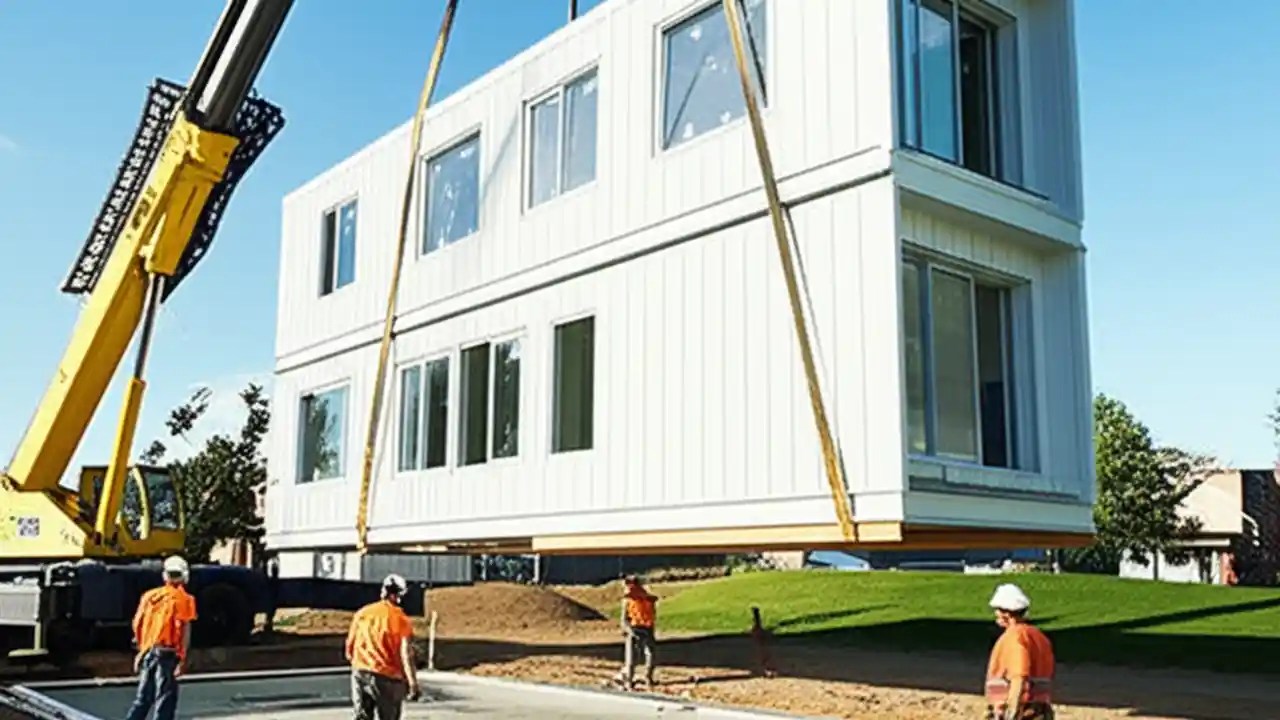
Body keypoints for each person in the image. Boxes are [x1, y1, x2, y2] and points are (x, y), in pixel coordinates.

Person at [125, 555, 198, 720]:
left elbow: (137, 623)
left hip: (148, 651)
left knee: (143, 698)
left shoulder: (149, 596)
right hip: (168, 653)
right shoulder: (185, 600)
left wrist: (140, 650)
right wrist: (183, 658)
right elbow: (185, 630)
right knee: (165, 699)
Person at [346, 573, 421, 720]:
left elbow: (349, 650)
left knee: (362, 717)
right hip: (387, 677)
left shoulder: (362, 613)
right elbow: (406, 653)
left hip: (360, 671)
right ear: (398, 596)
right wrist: (412, 684)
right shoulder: (401, 619)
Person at [984, 583, 1055, 720]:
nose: (996, 614)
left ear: (1007, 613)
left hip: (1022, 712)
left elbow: (1019, 677)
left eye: (998, 610)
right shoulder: (1039, 637)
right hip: (1039, 710)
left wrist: (1012, 713)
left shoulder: (1015, 637)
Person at [613, 575, 658, 690]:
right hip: (641, 627)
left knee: (640, 655)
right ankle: (638, 679)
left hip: (641, 627)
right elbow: (624, 619)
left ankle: (639, 679)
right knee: (641, 656)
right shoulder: (642, 598)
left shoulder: (636, 599)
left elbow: (624, 619)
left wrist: (628, 630)